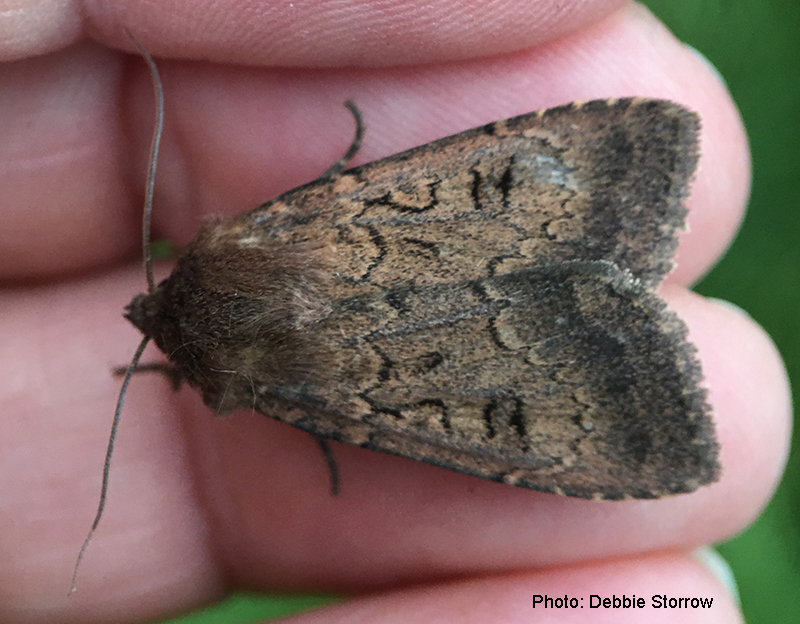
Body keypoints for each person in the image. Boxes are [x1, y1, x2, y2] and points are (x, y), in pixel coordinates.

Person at [0, 1, 789, 622]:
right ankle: (622, 212)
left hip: (397, 379)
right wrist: (345, 167)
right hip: (441, 218)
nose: (145, 310)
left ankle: (636, 417)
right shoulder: (266, 236)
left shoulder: (268, 381)